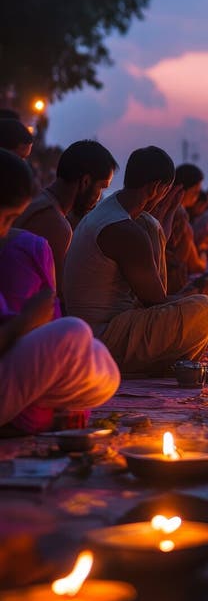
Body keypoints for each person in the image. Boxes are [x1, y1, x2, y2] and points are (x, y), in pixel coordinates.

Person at [63, 146, 208, 376]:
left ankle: (165, 365)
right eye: (165, 191)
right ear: (156, 188)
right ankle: (166, 367)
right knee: (206, 308)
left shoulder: (115, 212)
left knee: (150, 224)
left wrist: (158, 234)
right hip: (103, 339)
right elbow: (156, 301)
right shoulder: (125, 230)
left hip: (92, 331)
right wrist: (196, 291)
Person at [0, 149, 119, 435]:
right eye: (7, 219)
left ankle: (32, 408)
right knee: (74, 333)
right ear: (85, 181)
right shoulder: (51, 224)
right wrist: (28, 319)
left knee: (100, 360)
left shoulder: (53, 217)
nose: (6, 233)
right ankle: (25, 413)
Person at [16, 139, 118, 294]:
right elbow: (57, 294)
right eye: (101, 188)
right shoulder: (55, 224)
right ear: (85, 182)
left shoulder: (38, 201)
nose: (99, 198)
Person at [166, 162, 206, 293]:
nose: (196, 197)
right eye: (195, 192)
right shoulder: (179, 213)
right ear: (182, 189)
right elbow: (192, 264)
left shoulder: (167, 209)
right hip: (171, 284)